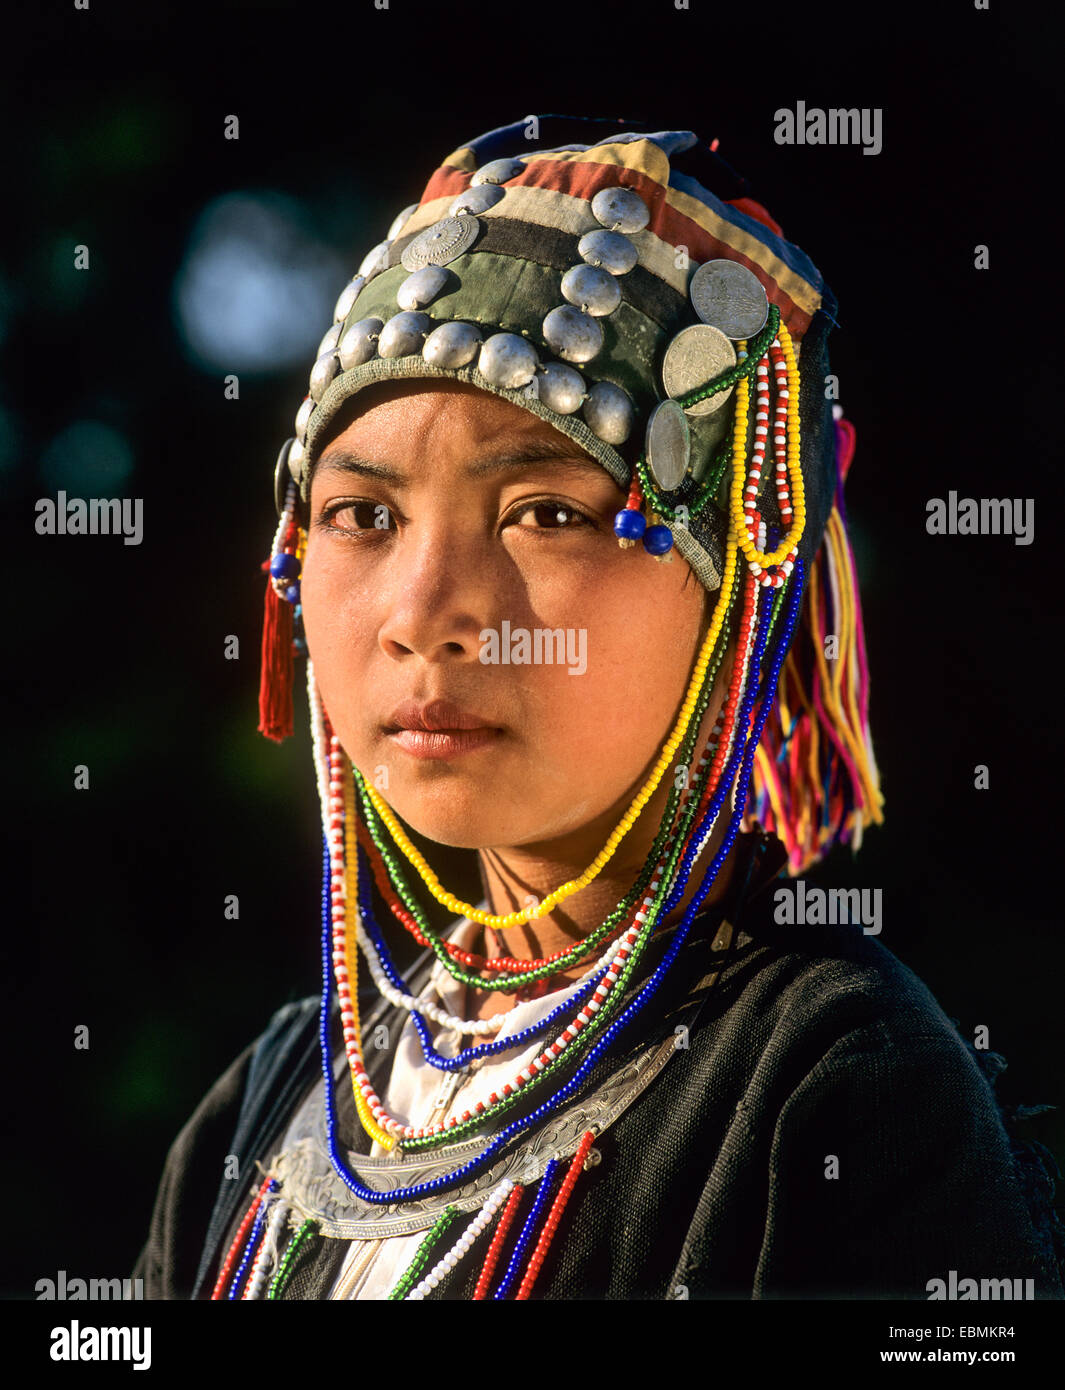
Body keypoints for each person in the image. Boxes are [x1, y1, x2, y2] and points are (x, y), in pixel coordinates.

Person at [133, 114, 1064, 1301]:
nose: (426, 613)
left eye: (548, 512)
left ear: (736, 587)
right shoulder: (272, 1101)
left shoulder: (834, 1088)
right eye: (363, 516)